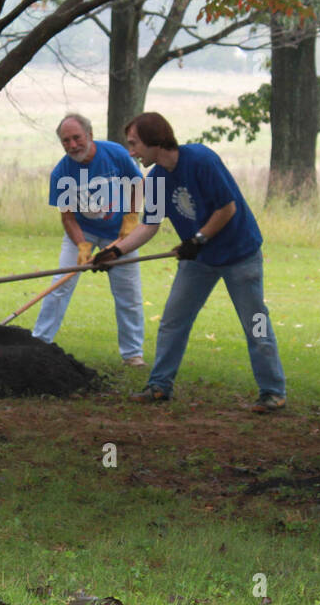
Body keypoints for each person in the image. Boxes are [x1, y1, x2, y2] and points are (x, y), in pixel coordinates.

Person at [92, 111, 287, 412]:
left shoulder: (201, 159)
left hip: (239, 254)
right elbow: (149, 226)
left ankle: (273, 391)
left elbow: (227, 209)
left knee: (255, 323)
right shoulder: (155, 178)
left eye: (134, 144)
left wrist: (197, 240)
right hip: (198, 260)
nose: (131, 152)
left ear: (155, 140)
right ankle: (159, 386)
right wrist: (115, 252)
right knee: (173, 320)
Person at [31, 113, 146, 365]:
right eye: (65, 141)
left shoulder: (115, 153)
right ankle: (39, 343)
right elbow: (69, 218)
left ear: (90, 135)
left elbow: (139, 182)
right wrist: (82, 246)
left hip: (119, 233)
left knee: (128, 294)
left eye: (76, 138)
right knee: (61, 284)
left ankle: (133, 354)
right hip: (82, 231)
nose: (72, 145)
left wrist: (131, 218)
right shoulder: (61, 174)